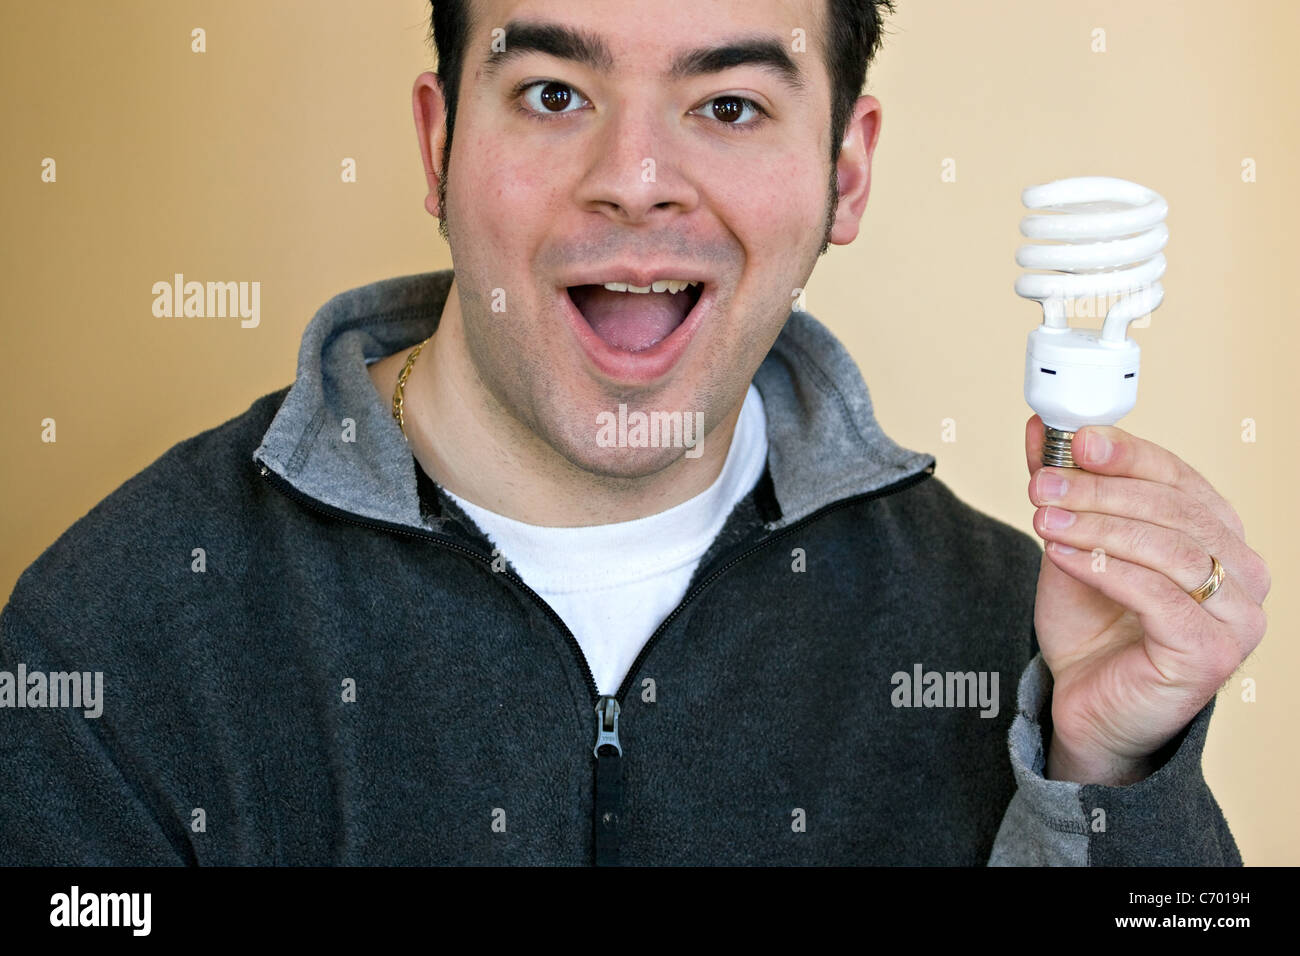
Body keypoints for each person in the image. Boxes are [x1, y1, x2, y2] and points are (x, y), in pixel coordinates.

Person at [0, 0, 1267, 866]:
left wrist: (1105, 778)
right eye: (554, 91)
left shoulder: (1012, 633)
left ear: (847, 173)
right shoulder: (117, 640)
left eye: (727, 105)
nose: (635, 177)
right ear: (438, 146)